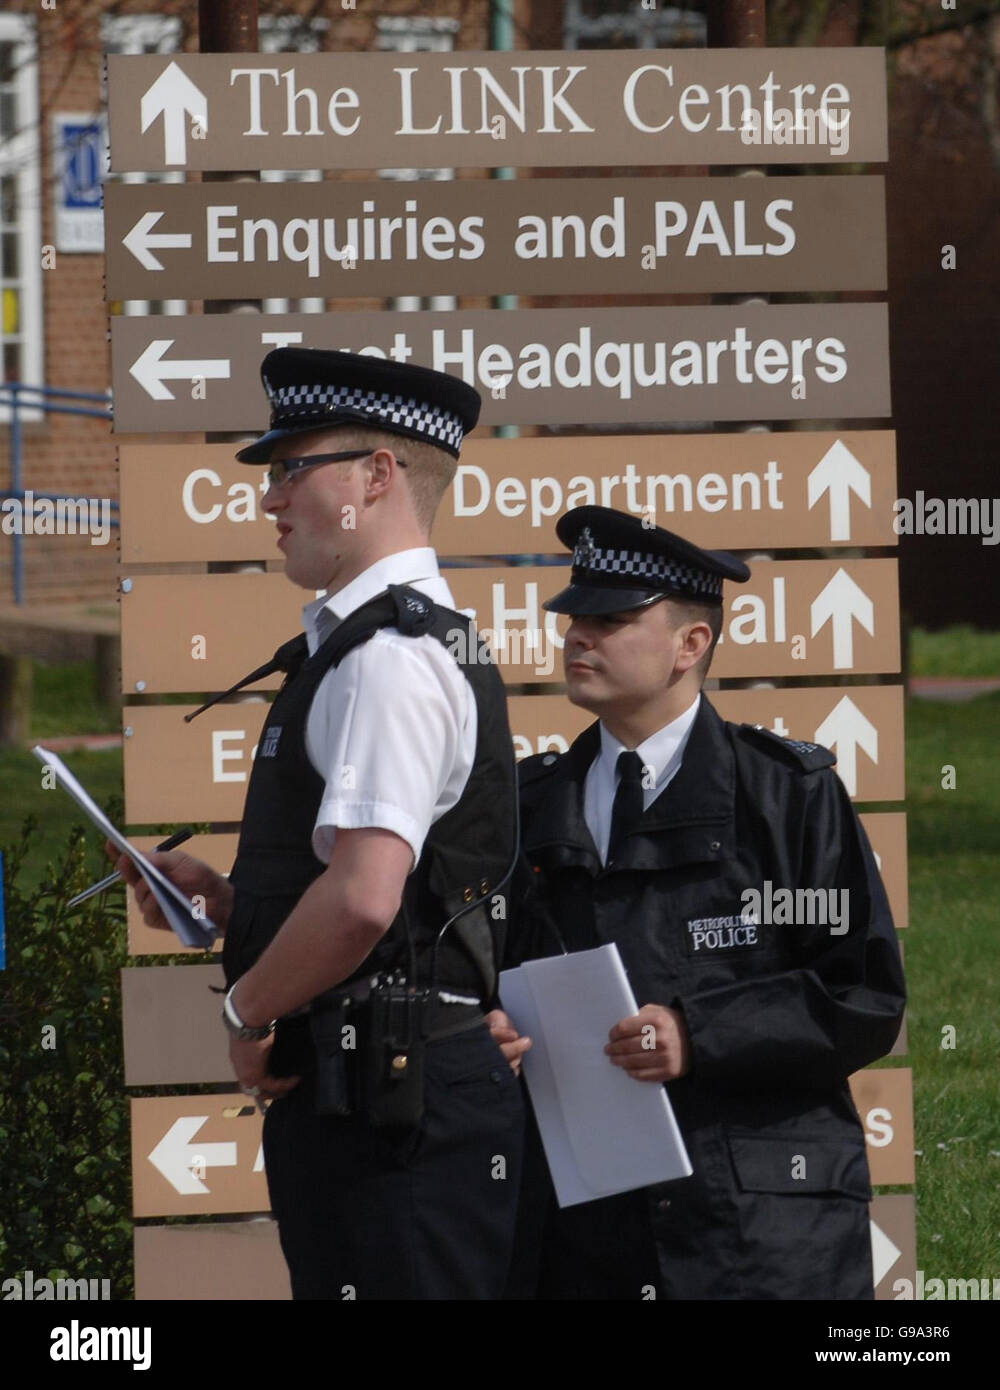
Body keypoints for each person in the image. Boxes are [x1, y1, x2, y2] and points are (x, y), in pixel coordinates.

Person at [117, 347, 524, 1300]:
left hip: (393, 1100)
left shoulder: (387, 657)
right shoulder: (385, 644)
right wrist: (230, 903)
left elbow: (363, 900)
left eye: (292, 468)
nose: (270, 498)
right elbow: (378, 892)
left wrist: (244, 1010)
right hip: (380, 1085)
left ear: (378, 475)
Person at [498, 505, 906, 1300]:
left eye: (610, 618)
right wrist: (493, 1029)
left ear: (693, 644)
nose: (579, 635)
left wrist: (698, 1032)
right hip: (587, 1231)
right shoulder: (531, 804)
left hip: (759, 1233)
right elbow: (491, 972)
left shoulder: (786, 795)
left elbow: (860, 993)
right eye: (573, 616)